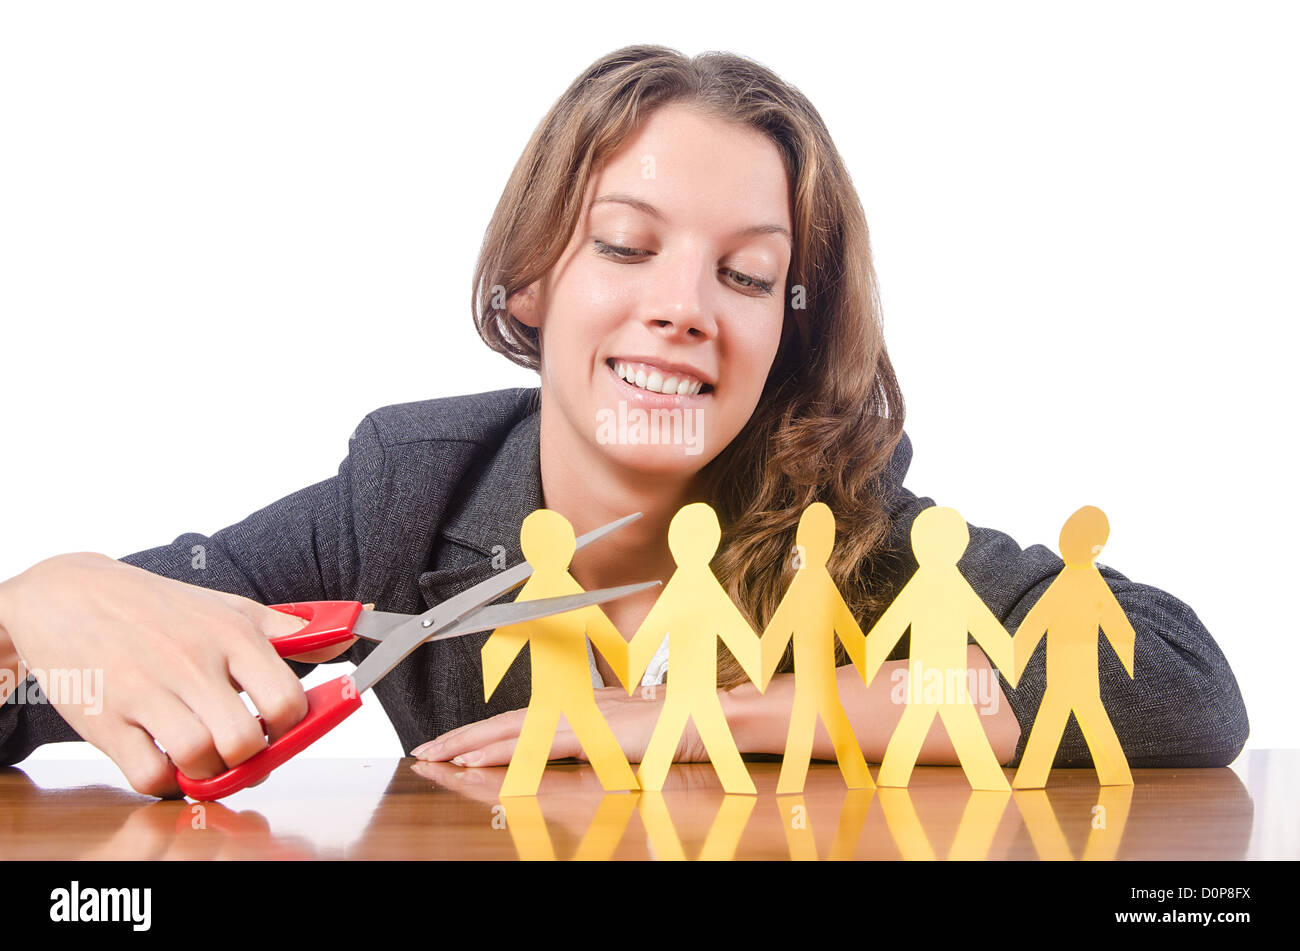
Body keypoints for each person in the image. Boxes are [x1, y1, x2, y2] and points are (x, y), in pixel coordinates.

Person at [0, 46, 1249, 798]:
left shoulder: (848, 528)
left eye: (747, 277)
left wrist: (717, 722)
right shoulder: (407, 502)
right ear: (534, 277)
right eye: (624, 246)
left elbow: (1178, 684)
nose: (682, 310)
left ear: (787, 335)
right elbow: (52, 697)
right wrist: (36, 614)